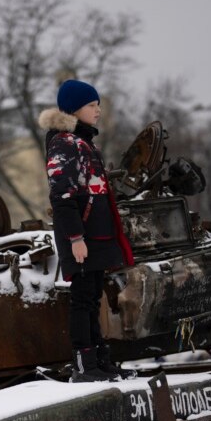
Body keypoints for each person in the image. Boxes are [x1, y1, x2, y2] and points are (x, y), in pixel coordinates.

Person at [40, 79, 134, 382]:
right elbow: (62, 195)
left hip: (95, 235)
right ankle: (83, 364)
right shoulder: (63, 144)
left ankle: (99, 358)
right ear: (75, 109)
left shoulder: (82, 143)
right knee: (82, 299)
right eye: (92, 105)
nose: (98, 110)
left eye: (97, 104)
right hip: (79, 237)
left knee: (93, 297)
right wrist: (76, 238)